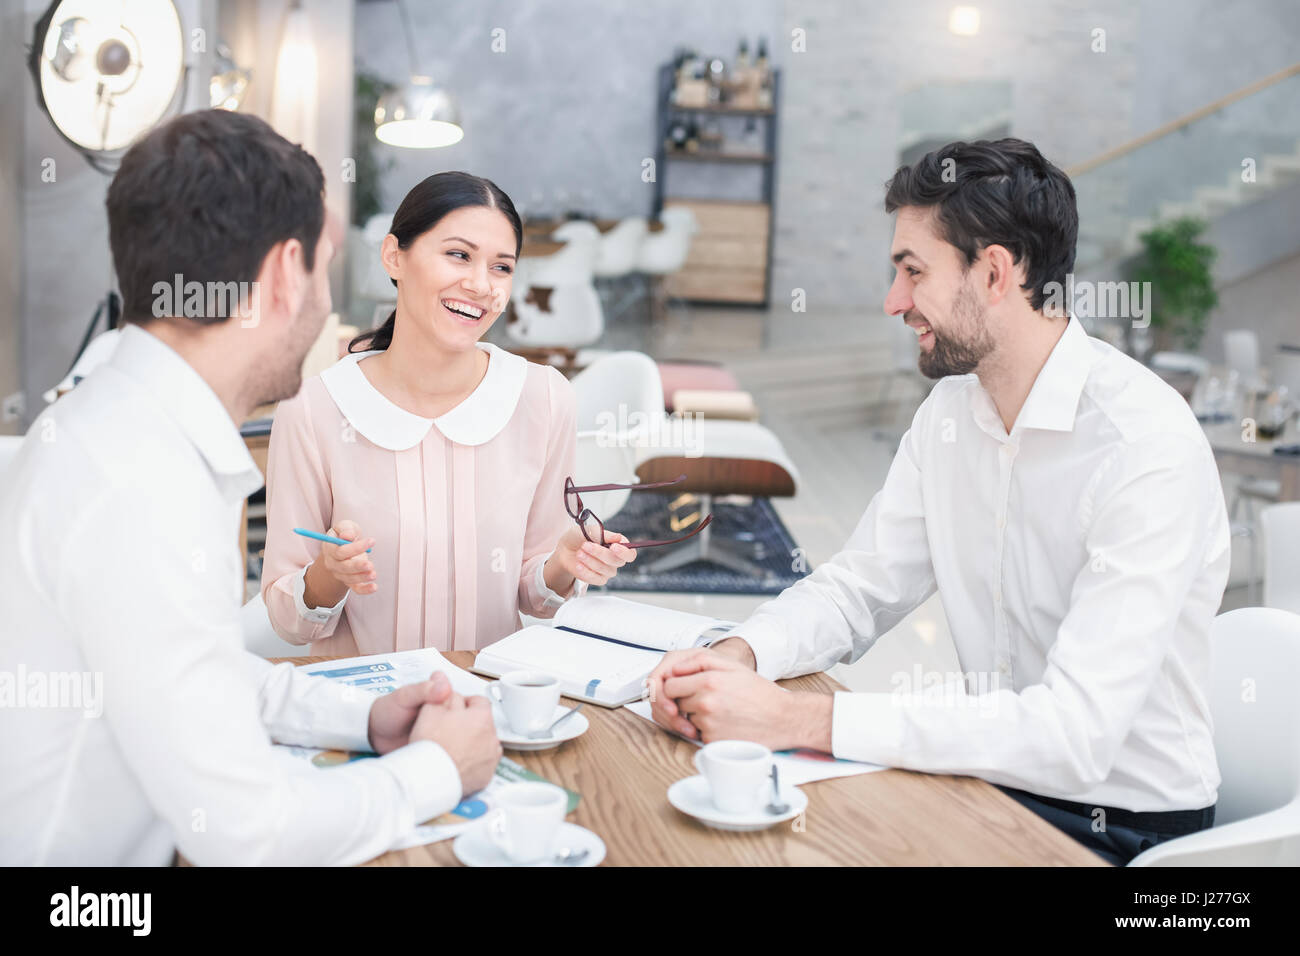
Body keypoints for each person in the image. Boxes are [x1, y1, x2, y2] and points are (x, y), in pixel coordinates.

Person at [648, 138, 1229, 866]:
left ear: (994, 272)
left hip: (1126, 826)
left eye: (912, 272)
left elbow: (1075, 733)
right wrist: (736, 657)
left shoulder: (1142, 445)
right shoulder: (952, 412)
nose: (894, 302)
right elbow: (860, 588)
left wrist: (798, 718)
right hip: (993, 781)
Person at [0, 110, 501, 866]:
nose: (331, 307)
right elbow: (245, 833)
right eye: (326, 270)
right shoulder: (137, 482)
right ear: (280, 276)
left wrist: (366, 718)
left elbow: (197, 671)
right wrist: (436, 768)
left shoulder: (123, 425)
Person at [260, 172, 636, 656]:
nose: (481, 285)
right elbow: (287, 621)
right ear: (394, 255)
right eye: (459, 255)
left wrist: (563, 562)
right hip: (363, 713)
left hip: (488, 709)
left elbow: (535, 596)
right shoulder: (313, 408)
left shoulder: (543, 398)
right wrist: (328, 577)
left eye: (501, 267)